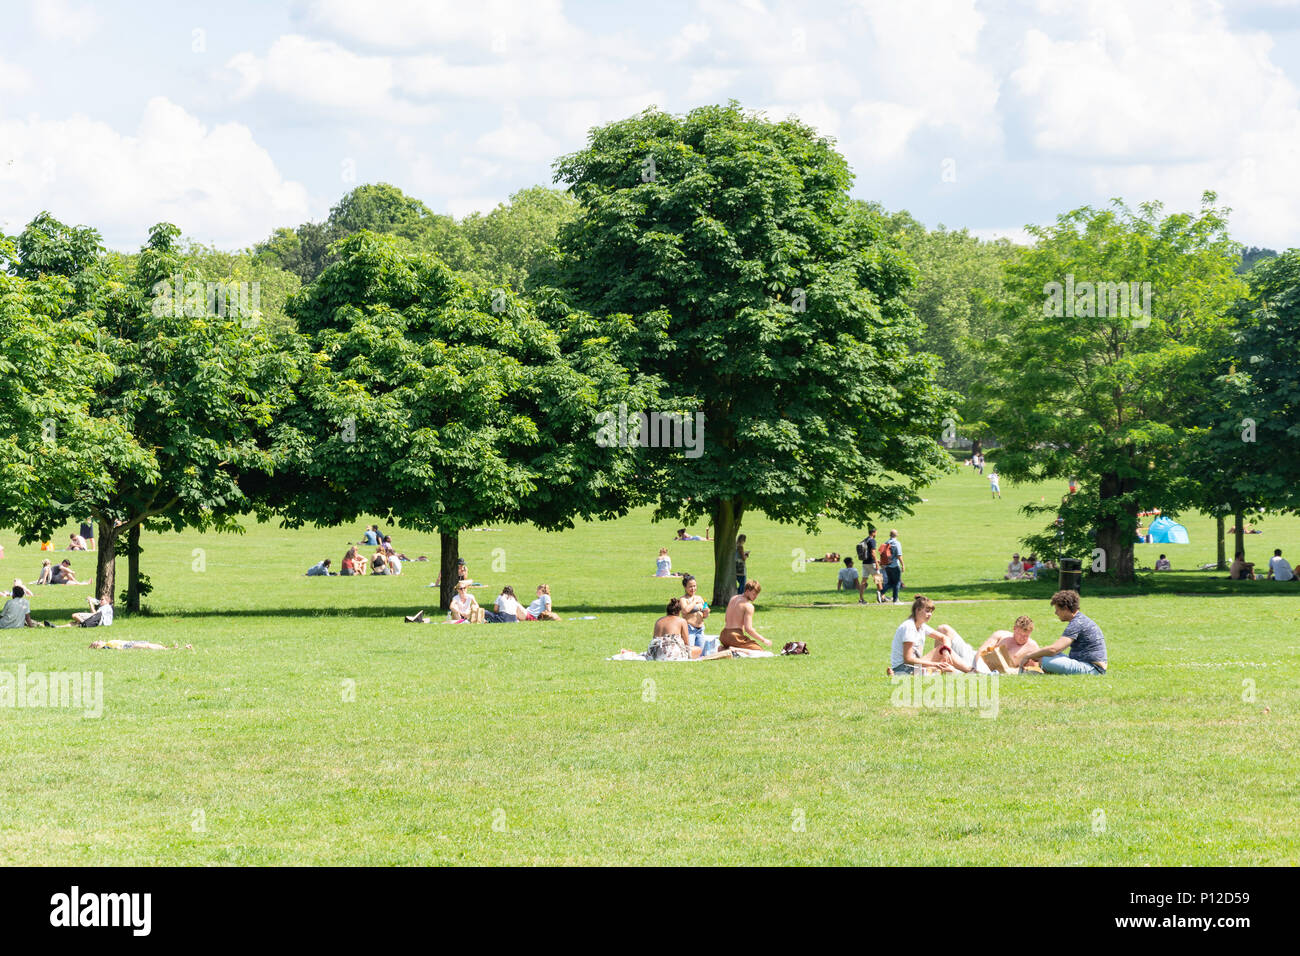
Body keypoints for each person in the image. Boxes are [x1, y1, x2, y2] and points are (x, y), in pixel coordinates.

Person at [1019, 590, 1108, 675]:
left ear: (1065, 608)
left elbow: (1053, 649)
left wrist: (1028, 656)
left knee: (1044, 659)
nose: (1056, 613)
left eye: (1057, 609)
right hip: (1086, 665)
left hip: (1092, 669)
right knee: (1043, 655)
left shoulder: (1077, 623)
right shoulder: (1079, 619)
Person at [888, 595, 951, 675]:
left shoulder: (921, 626)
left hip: (913, 666)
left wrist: (946, 651)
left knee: (946, 663)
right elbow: (908, 659)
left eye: (931, 612)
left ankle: (931, 671)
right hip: (904, 667)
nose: (930, 614)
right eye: (927, 611)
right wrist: (935, 664)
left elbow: (944, 638)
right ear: (918, 610)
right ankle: (969, 670)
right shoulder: (909, 627)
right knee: (948, 669)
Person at [974, 615, 1041, 671]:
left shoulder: (1032, 647)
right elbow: (981, 650)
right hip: (979, 661)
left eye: (1026, 636)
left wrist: (1013, 671)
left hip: (1000, 671)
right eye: (1020, 634)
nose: (1022, 638)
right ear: (1014, 628)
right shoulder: (1001, 635)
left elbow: (1035, 669)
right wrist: (976, 666)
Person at [719, 580, 771, 651]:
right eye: (754, 593)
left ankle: (724, 648)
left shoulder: (733, 598)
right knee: (759, 650)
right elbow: (748, 629)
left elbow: (726, 619)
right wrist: (763, 640)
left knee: (746, 644)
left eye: (757, 594)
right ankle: (733, 650)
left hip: (723, 635)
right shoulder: (748, 606)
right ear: (747, 591)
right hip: (735, 637)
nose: (756, 596)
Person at [680, 574, 711, 651]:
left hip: (700, 629)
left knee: (700, 651)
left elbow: (705, 615)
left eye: (694, 586)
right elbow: (685, 611)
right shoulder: (683, 599)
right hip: (690, 629)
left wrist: (706, 611)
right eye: (690, 586)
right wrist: (694, 602)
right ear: (685, 587)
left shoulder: (699, 597)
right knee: (690, 651)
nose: (693, 588)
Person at [880, 533, 904, 604]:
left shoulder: (886, 542)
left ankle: (881, 592)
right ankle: (895, 599)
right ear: (897, 535)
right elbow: (899, 555)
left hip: (887, 566)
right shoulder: (897, 543)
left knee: (890, 582)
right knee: (897, 582)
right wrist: (903, 565)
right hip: (895, 565)